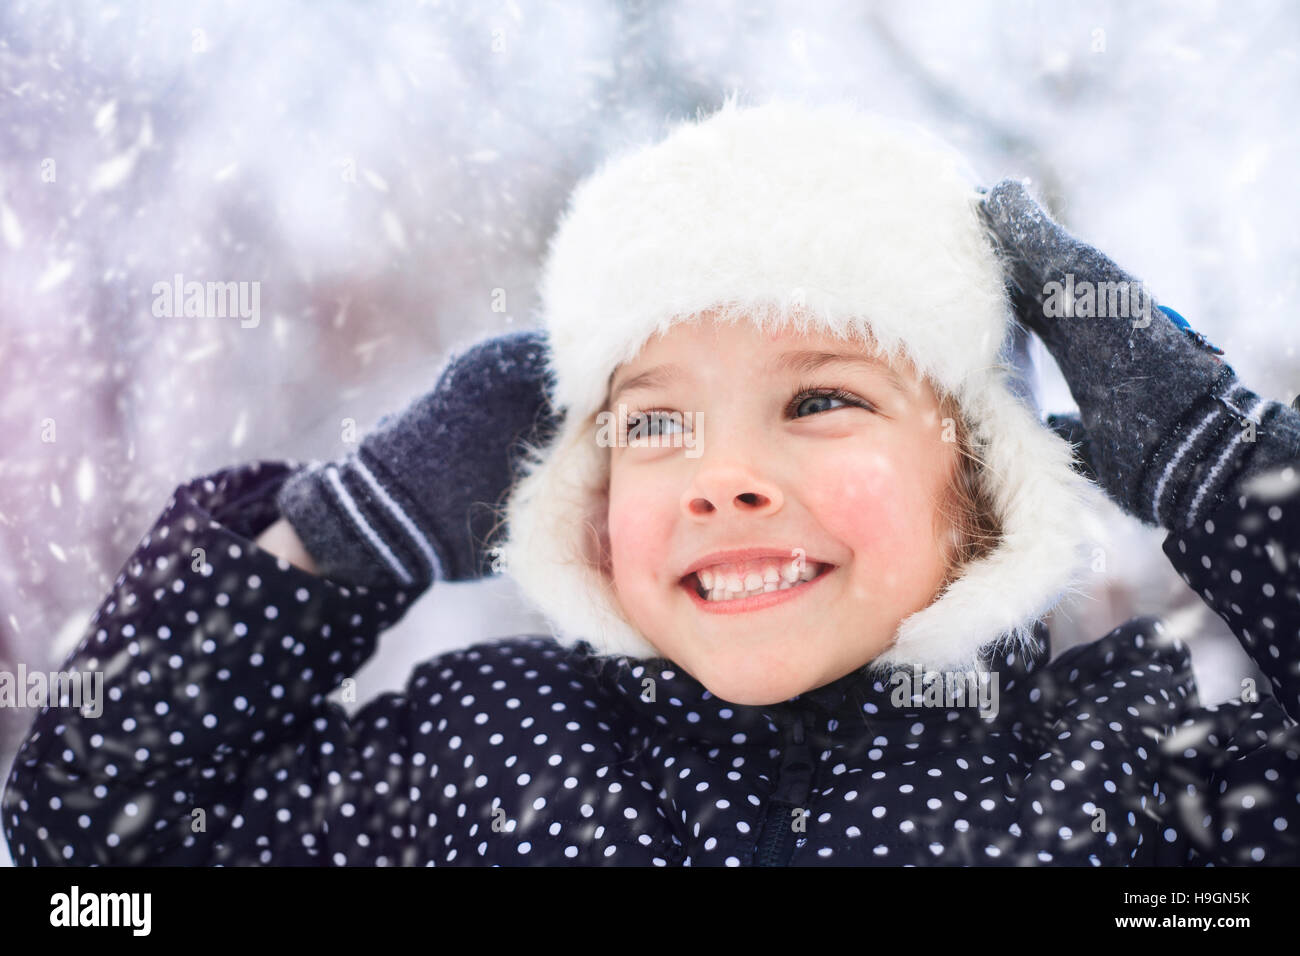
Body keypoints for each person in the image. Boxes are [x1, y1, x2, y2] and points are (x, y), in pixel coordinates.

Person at [4, 97, 1299, 866]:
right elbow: (98, 837)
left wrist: (1224, 466)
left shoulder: (1129, 771)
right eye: (652, 424)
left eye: (821, 399)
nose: (724, 476)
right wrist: (337, 539)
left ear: (988, 482)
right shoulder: (483, 753)